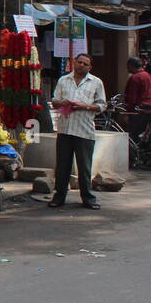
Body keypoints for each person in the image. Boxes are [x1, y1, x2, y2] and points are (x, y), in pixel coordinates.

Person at [50, 52, 107, 210]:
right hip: (65, 129)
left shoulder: (96, 82)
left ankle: (88, 198)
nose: (81, 65)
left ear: (90, 67)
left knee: (84, 167)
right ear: (74, 62)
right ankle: (59, 196)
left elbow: (102, 105)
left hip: (84, 130)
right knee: (62, 166)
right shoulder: (63, 80)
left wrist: (85, 106)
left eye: (85, 64)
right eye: (79, 62)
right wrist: (62, 102)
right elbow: (54, 102)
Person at [123, 56, 151, 142]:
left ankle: (134, 154)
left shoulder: (135, 78)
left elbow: (132, 97)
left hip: (137, 110)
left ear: (131, 66)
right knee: (142, 133)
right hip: (148, 108)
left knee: (133, 134)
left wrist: (127, 112)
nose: (126, 68)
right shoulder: (148, 75)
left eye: (127, 66)